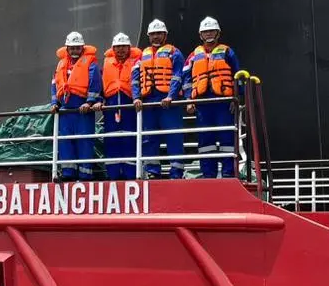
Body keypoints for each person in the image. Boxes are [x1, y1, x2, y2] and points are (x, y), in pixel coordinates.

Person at [185, 16, 241, 178]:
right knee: (205, 141)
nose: (209, 34)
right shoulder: (194, 55)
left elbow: (237, 75)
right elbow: (186, 78)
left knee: (226, 139)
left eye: (212, 31)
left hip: (223, 102)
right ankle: (208, 174)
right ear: (200, 35)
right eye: (205, 31)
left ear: (218, 33)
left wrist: (236, 98)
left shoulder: (227, 52)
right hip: (203, 103)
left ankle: (228, 173)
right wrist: (189, 99)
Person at [131, 18, 185, 179]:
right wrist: (136, 97)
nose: (156, 37)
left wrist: (171, 96)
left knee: (174, 137)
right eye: (153, 34)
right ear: (148, 36)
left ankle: (176, 173)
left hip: (169, 102)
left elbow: (178, 76)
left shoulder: (174, 53)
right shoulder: (142, 56)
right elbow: (134, 79)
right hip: (148, 102)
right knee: (149, 139)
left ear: (165, 35)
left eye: (159, 34)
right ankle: (153, 172)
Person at [49, 31, 101, 182]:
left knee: (84, 141)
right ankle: (68, 173)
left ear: (82, 48)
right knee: (66, 141)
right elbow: (55, 85)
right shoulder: (61, 64)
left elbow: (95, 82)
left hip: (82, 109)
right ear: (67, 49)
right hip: (65, 109)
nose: (75, 51)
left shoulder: (91, 62)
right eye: (72, 48)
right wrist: (55, 103)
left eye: (77, 48)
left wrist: (90, 102)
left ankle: (85, 175)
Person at [99, 32, 141, 180]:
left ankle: (131, 173)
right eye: (118, 47)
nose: (121, 50)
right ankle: (113, 174)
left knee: (130, 138)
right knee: (111, 139)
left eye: (124, 46)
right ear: (113, 48)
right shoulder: (106, 64)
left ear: (129, 47)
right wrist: (99, 100)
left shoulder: (137, 62)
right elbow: (100, 85)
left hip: (129, 103)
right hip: (111, 105)